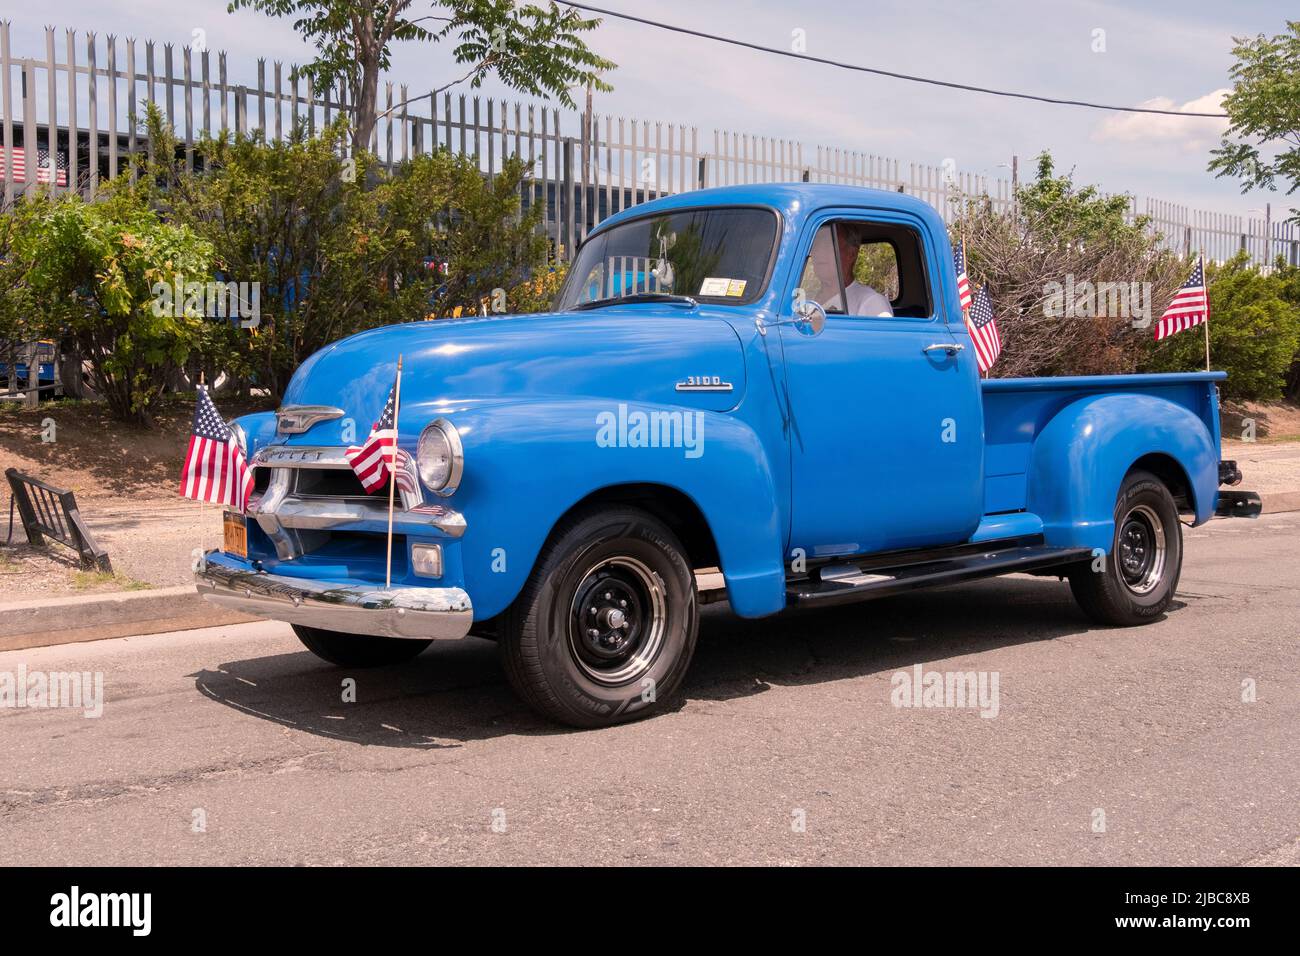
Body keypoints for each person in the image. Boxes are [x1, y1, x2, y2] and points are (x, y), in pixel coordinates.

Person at [810, 223, 894, 317]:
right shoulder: (806, 297)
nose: (818, 251)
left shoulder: (872, 303)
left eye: (828, 244)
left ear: (852, 254)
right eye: (815, 245)